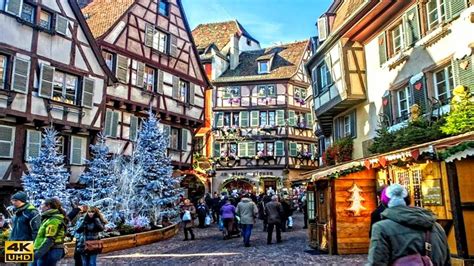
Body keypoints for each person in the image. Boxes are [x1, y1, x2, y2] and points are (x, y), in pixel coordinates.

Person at [368, 184, 451, 265]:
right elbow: (446, 260)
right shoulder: (436, 226)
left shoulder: (381, 228)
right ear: (408, 200)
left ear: (384, 202)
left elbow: (376, 262)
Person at [34, 198, 68, 266]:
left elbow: (49, 240)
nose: (41, 206)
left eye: (42, 204)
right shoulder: (48, 218)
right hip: (45, 250)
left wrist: (38, 254)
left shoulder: (54, 220)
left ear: (48, 206)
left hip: (50, 251)